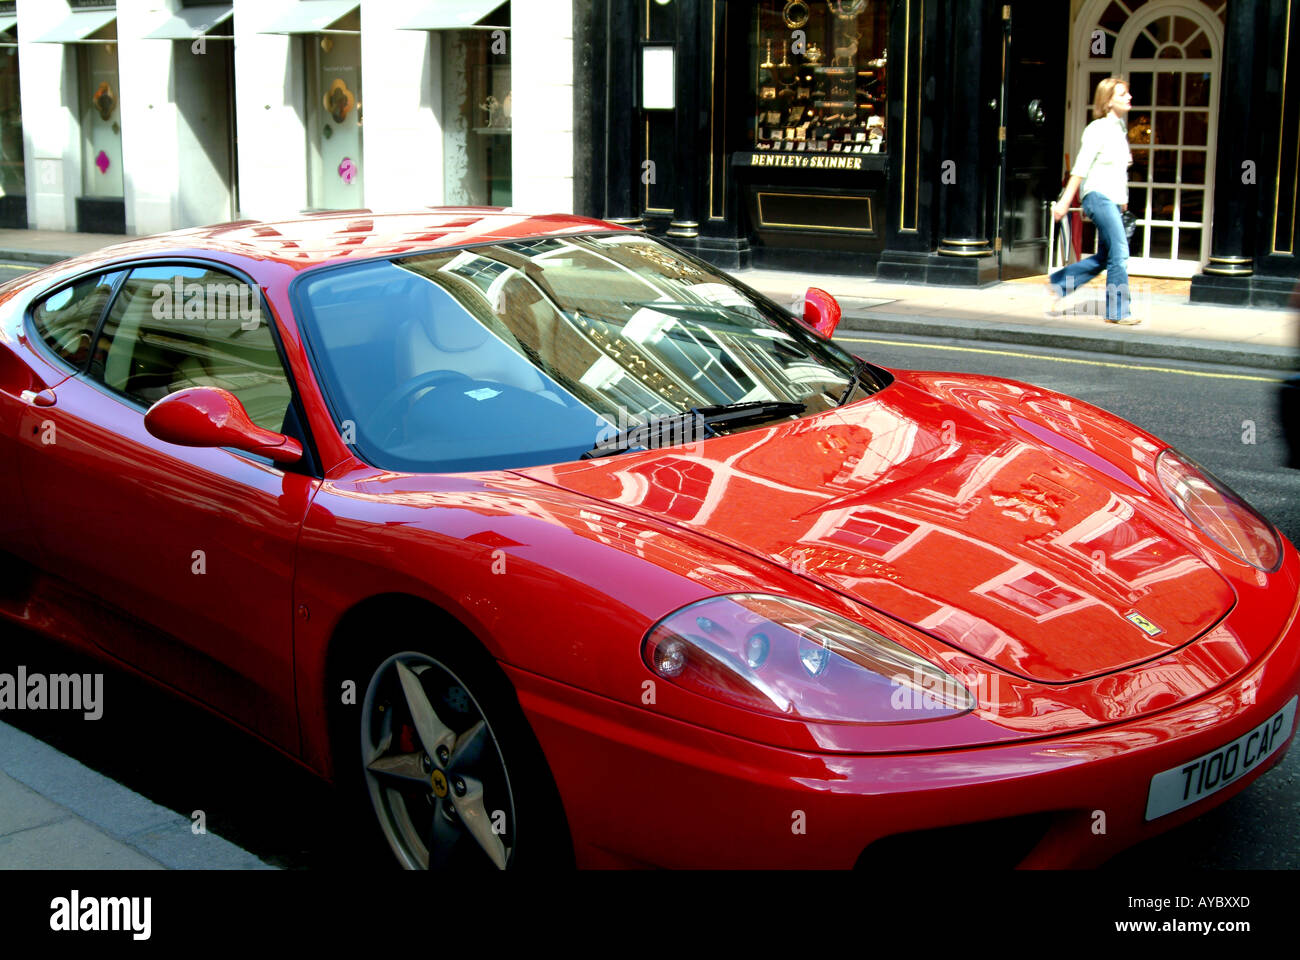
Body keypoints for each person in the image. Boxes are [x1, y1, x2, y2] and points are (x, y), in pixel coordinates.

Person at [1050, 76, 1136, 324]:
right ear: (1107, 101)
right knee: (1120, 253)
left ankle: (1059, 284)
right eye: (1122, 94)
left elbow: (1119, 173)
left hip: (1113, 200)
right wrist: (1065, 201)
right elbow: (1080, 167)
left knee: (1106, 256)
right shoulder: (1097, 129)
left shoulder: (1120, 130)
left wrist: (1124, 202)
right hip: (1098, 196)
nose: (1129, 97)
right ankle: (1118, 312)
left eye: (1127, 93)